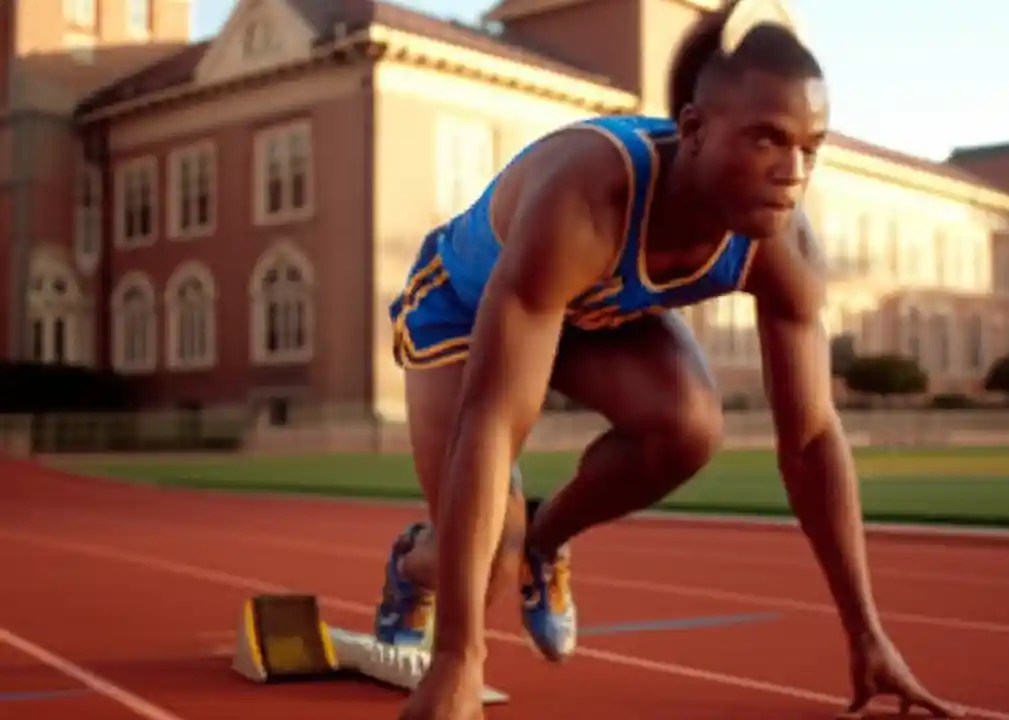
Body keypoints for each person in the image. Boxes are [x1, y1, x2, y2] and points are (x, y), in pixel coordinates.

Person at [378, 4, 961, 719]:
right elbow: (494, 420)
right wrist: (457, 661)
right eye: (767, 140)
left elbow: (810, 440)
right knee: (488, 551)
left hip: (596, 312)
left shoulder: (783, 245)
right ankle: (416, 564)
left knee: (689, 429)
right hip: (460, 312)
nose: (793, 173)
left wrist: (867, 633)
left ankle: (547, 540)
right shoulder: (588, 197)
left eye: (812, 147)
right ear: (691, 131)